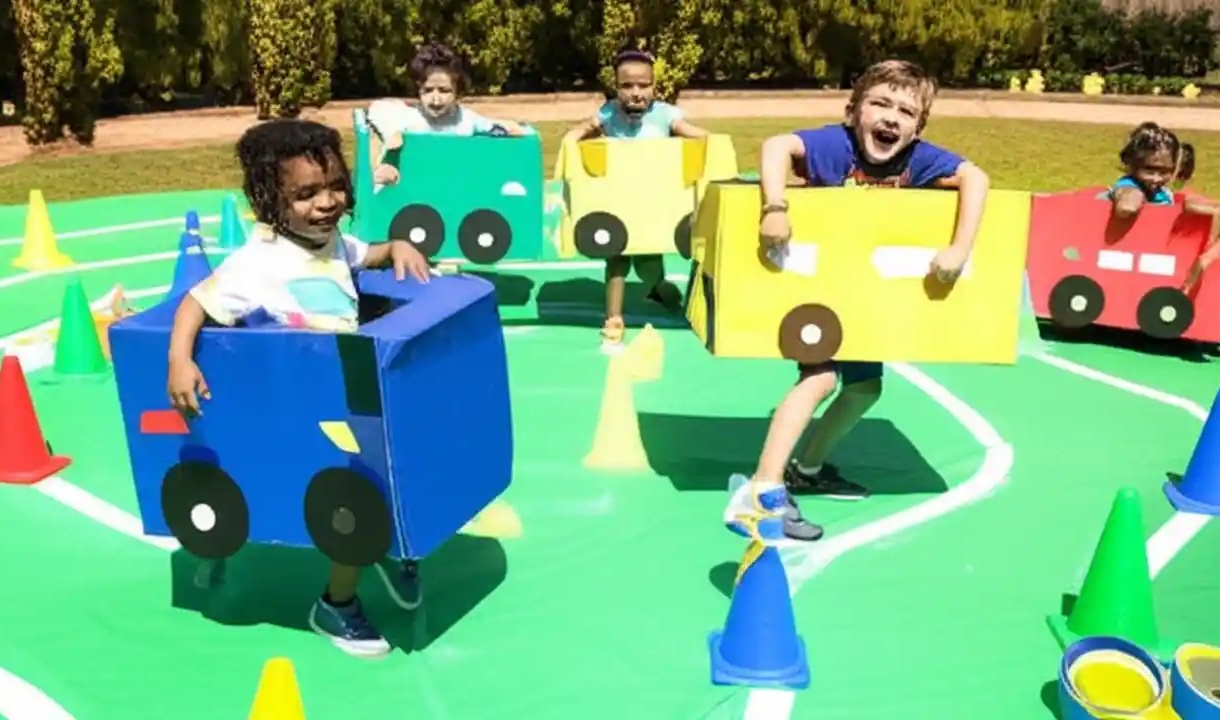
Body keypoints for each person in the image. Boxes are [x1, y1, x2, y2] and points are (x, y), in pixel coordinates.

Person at [165, 118, 430, 657]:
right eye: (305, 194)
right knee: (350, 496)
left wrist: (397, 245)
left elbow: (364, 253)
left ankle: (388, 542)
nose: (327, 202)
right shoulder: (258, 262)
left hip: (348, 385)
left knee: (387, 471)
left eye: (334, 186)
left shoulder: (330, 241)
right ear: (269, 199)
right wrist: (179, 358)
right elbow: (196, 300)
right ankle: (337, 604)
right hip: (307, 402)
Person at [726, 59, 991, 543]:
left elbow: (976, 177)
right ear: (854, 111)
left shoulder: (919, 161)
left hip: (864, 300)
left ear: (918, 128)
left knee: (865, 389)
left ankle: (807, 467)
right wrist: (775, 207)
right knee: (821, 378)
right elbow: (776, 145)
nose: (892, 117)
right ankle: (762, 491)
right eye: (880, 104)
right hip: (816, 292)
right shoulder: (836, 145)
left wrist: (959, 247)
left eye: (906, 111)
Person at [562, 48, 712, 351]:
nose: (636, 93)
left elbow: (698, 137)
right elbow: (578, 135)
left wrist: (709, 143)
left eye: (644, 85)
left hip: (653, 205)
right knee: (617, 257)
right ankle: (614, 318)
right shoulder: (607, 114)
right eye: (627, 86)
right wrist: (579, 136)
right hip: (619, 202)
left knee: (649, 266)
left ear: (654, 86)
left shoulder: (666, 116)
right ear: (616, 87)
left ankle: (660, 289)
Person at [371, 43, 533, 187]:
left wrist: (512, 130)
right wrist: (393, 139)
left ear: (458, 91)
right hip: (415, 198)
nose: (435, 98)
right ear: (418, 89)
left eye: (444, 90)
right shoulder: (409, 119)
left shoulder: (466, 120)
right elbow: (377, 110)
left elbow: (497, 128)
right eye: (427, 90)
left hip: (455, 193)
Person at [1109, 122, 1187, 218]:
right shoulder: (1127, 184)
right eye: (1149, 170)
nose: (1156, 178)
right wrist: (1137, 197)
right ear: (1132, 165)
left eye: (1165, 172)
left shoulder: (1162, 192)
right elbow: (1127, 207)